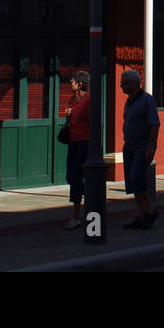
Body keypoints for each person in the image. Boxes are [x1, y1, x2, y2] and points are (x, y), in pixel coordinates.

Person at [119, 68, 160, 229]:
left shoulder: (147, 100)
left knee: (137, 177)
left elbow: (154, 124)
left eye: (124, 84)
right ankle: (142, 214)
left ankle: (149, 211)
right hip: (129, 145)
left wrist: (152, 146)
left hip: (142, 146)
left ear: (134, 84)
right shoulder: (129, 102)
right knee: (132, 182)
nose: (121, 86)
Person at [62, 70, 90, 229]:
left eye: (72, 81)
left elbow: (92, 123)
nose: (70, 83)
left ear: (79, 84)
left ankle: (77, 215)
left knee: (79, 178)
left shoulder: (87, 101)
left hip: (84, 144)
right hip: (73, 142)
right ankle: (78, 212)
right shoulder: (72, 100)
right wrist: (67, 116)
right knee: (72, 177)